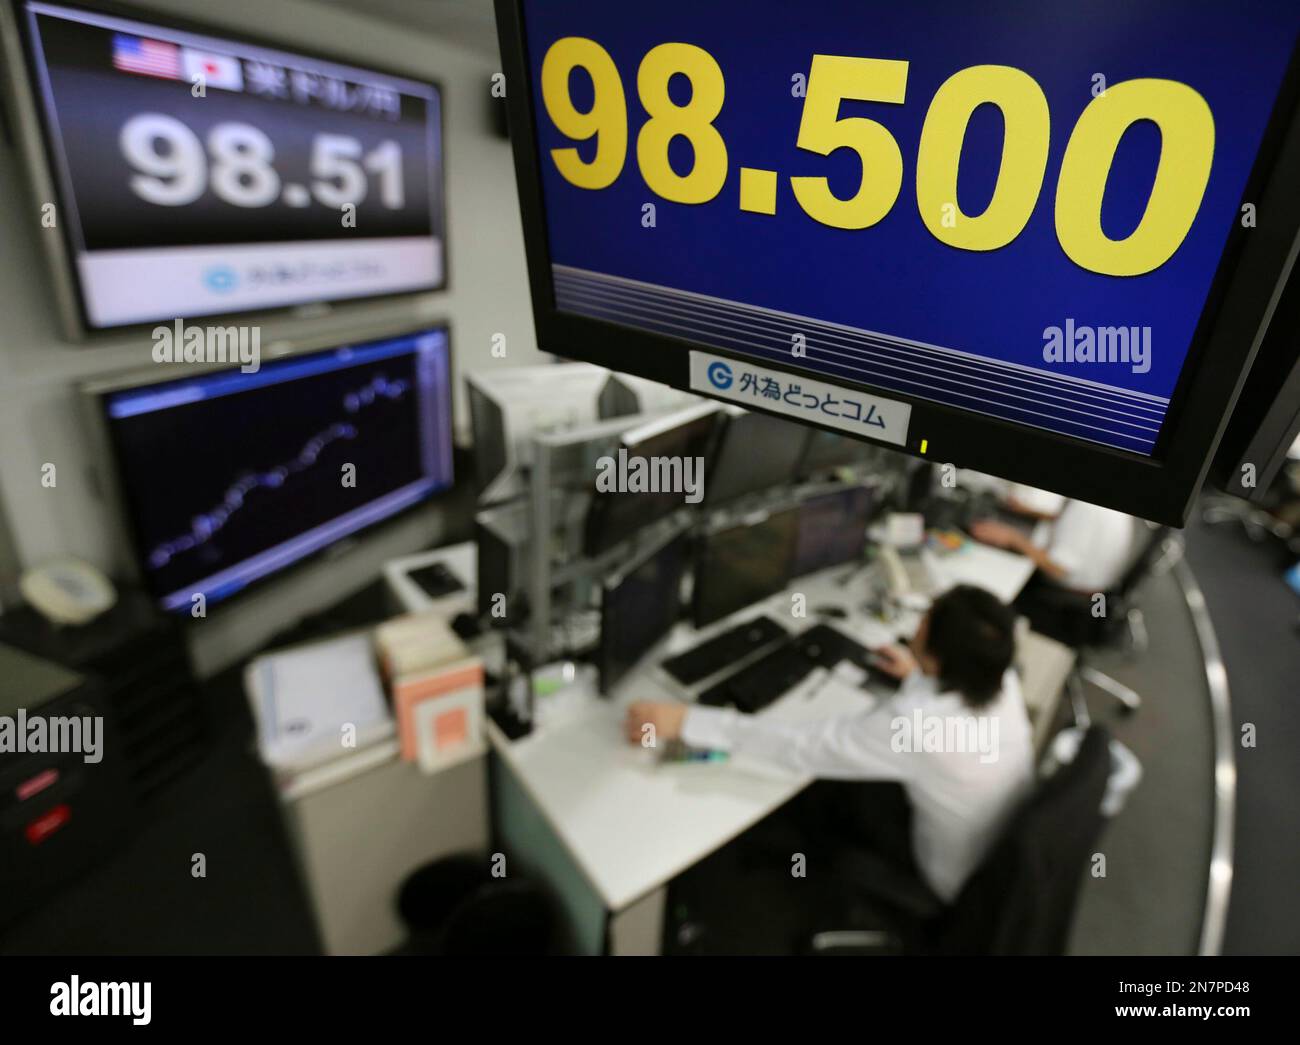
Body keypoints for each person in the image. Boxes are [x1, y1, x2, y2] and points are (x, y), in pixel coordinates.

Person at [624, 585, 1034, 904]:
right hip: (996, 852)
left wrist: (686, 720)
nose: (919, 621)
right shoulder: (1002, 681)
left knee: (811, 780)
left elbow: (801, 747)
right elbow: (949, 703)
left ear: (942, 658)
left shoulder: (917, 728)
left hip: (949, 874)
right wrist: (917, 674)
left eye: (927, 618)